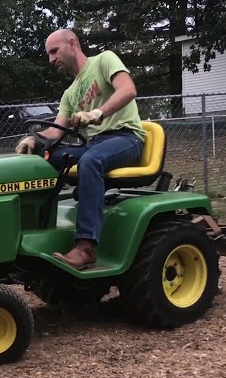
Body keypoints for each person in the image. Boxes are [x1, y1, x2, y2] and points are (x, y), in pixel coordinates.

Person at [16, 29, 145, 270]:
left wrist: (98, 112)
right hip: (95, 145)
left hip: (126, 138)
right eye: (48, 54)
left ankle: (86, 248)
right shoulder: (70, 93)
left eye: (54, 51)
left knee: (90, 161)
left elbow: (128, 90)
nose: (51, 59)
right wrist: (34, 140)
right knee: (49, 159)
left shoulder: (104, 60)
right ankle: (39, 229)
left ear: (72, 43)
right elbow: (56, 131)